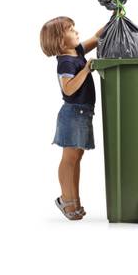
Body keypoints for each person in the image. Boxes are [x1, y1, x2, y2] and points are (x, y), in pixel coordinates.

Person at [40, 16, 107, 220]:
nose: (77, 32)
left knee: (76, 159)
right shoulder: (66, 62)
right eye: (71, 30)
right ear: (61, 40)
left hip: (83, 113)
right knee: (69, 160)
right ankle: (67, 202)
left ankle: (73, 202)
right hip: (73, 114)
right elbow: (68, 89)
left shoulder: (76, 52)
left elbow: (96, 37)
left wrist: (114, 18)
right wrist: (86, 69)